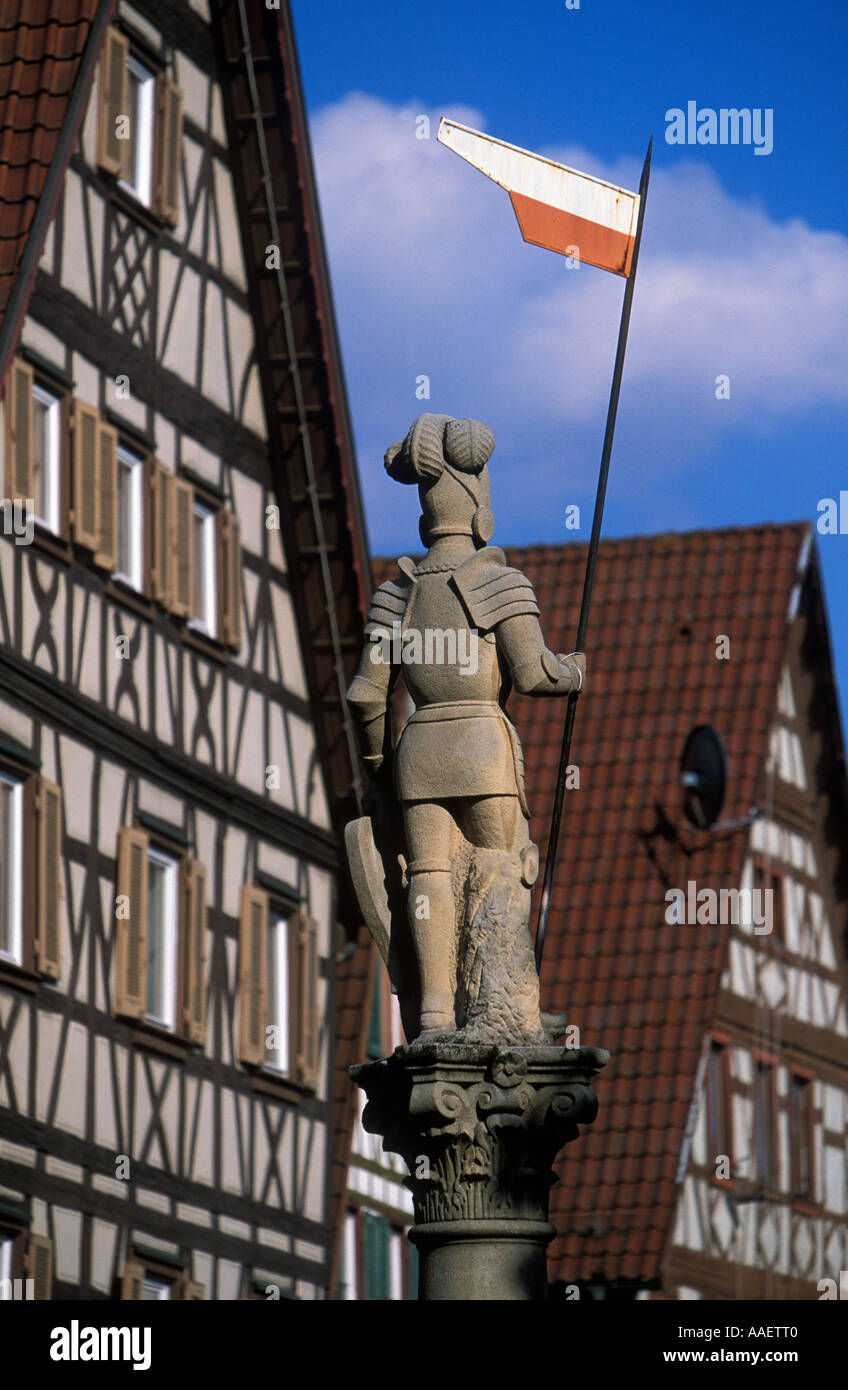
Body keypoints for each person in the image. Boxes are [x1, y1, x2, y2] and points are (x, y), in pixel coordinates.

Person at [346, 413, 586, 1038]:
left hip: (419, 754)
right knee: (502, 870)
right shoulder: (499, 582)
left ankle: (433, 1014)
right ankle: (508, 1011)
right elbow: (533, 675)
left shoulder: (396, 594)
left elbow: (367, 698)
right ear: (480, 501)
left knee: (428, 881)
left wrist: (378, 773)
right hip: (482, 747)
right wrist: (574, 673)